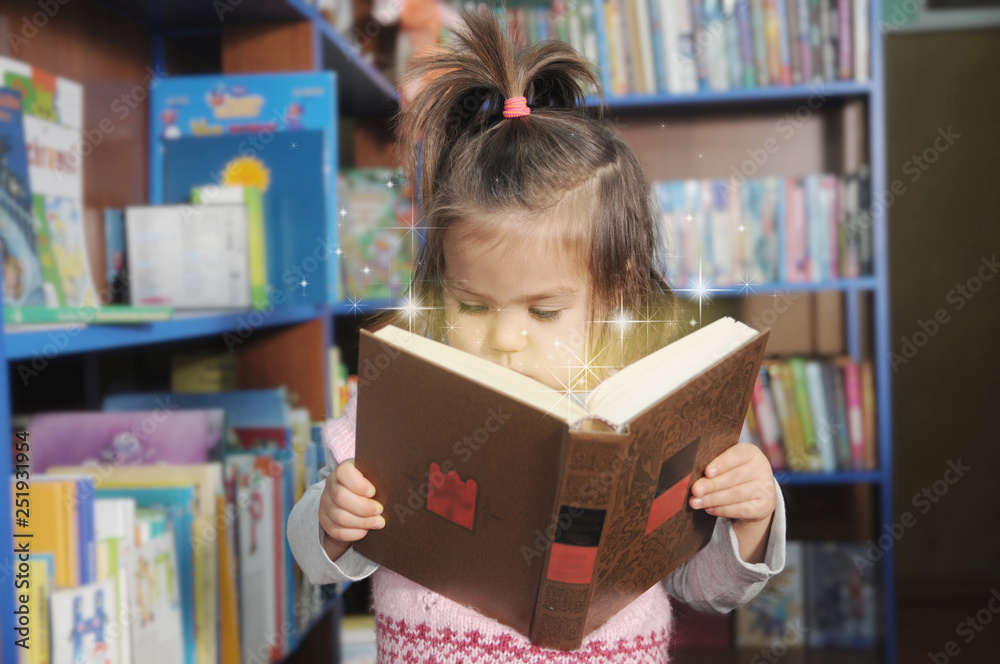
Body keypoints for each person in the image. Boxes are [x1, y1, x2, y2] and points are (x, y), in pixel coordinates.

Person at [288, 8, 786, 662]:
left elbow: (705, 588)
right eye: (472, 305)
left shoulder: (653, 419)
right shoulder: (409, 399)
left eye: (543, 312)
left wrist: (752, 521)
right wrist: (329, 522)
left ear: (617, 288)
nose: (506, 340)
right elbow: (316, 563)